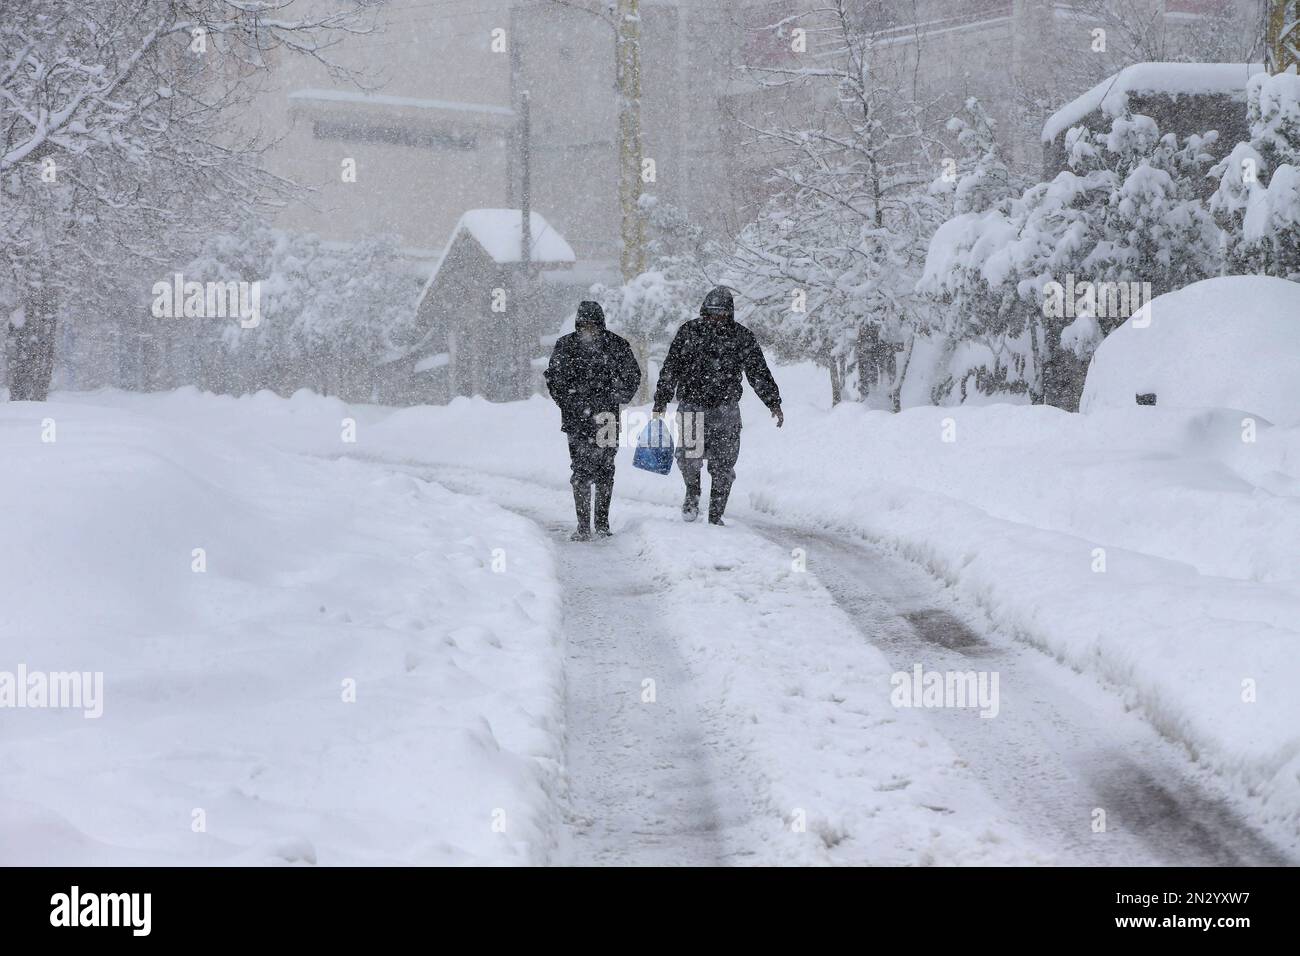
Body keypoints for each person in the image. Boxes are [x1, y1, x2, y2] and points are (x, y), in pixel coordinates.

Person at [652, 286, 782, 526]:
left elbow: (758, 372)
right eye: (712, 313)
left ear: (729, 314)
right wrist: (661, 399)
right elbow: (671, 368)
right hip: (692, 406)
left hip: (726, 408)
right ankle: (692, 493)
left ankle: (716, 514)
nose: (716, 318)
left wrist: (773, 402)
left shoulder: (741, 337)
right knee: (689, 457)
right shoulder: (689, 332)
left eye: (721, 313)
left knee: (724, 464)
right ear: (704, 311)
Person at [544, 301, 641, 540]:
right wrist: (568, 402)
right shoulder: (566, 346)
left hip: (607, 417)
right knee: (580, 470)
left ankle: (602, 523)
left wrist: (616, 397)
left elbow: (632, 375)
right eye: (584, 324)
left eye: (592, 324)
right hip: (576, 419)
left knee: (605, 469)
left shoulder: (616, 345)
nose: (588, 329)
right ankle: (583, 525)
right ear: (578, 324)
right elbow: (554, 379)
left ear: (601, 324)